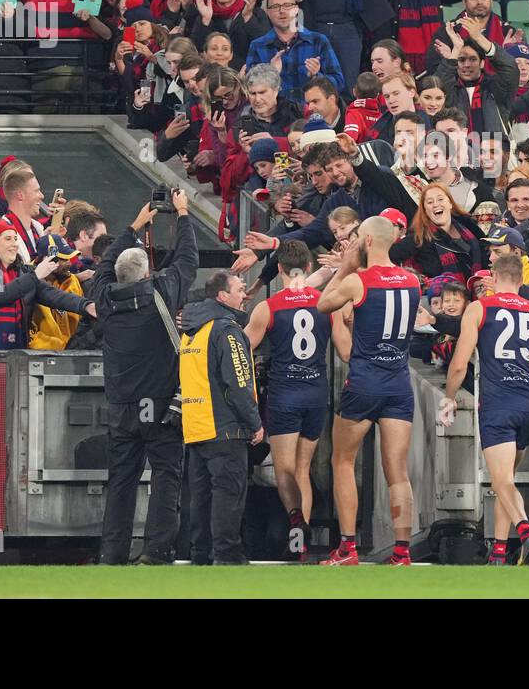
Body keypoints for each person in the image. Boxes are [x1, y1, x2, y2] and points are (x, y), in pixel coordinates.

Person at [94, 190, 199, 565]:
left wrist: (135, 226)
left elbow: (106, 265)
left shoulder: (104, 299)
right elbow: (187, 259)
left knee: (121, 480)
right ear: (147, 273)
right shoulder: (161, 292)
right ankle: (155, 551)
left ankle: (112, 553)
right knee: (166, 476)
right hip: (160, 406)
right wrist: (183, 214)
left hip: (121, 407)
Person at [317, 215, 422, 565]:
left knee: (342, 460)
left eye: (359, 237)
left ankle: (347, 548)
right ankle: (402, 552)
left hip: (364, 382)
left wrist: (345, 266)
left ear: (369, 241)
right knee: (397, 470)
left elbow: (322, 304)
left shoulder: (358, 282)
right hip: (398, 384)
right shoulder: (412, 282)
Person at [439, 251, 529, 566]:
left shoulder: (479, 307)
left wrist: (449, 396)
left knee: (501, 480)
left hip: (498, 400)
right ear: (522, 280)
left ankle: (526, 532)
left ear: (494, 278)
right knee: (507, 478)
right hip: (528, 401)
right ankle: (499, 551)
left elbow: (460, 363)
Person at [244, 240, 346, 560]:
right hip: (316, 394)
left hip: (284, 394)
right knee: (303, 468)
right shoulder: (325, 303)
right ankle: (300, 548)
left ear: (279, 270)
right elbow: (346, 349)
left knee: (284, 470)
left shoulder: (269, 307)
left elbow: (241, 347)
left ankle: (295, 520)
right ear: (310, 267)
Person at [178, 269, 262, 566]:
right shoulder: (227, 330)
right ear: (223, 296)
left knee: (200, 497)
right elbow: (239, 382)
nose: (245, 295)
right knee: (228, 493)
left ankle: (200, 554)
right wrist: (255, 423)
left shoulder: (191, 331)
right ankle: (227, 555)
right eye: (240, 289)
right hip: (225, 428)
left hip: (195, 425)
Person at [0, 218, 94, 349]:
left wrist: (85, 305)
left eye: (15, 239)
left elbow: (52, 294)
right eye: (8, 239)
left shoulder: (22, 271)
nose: (14, 244)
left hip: (17, 347)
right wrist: (35, 275)